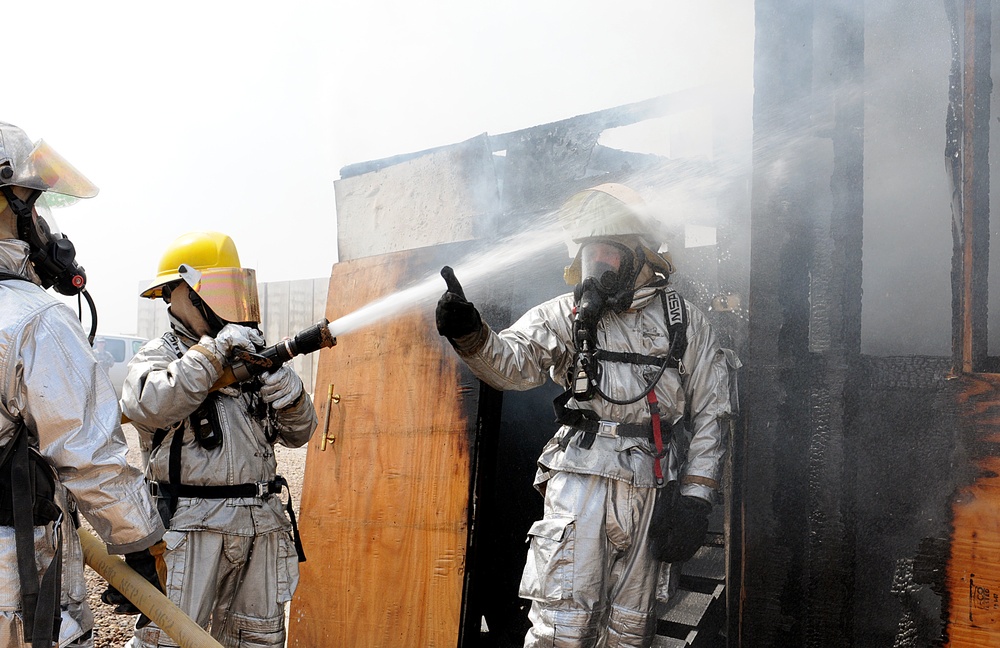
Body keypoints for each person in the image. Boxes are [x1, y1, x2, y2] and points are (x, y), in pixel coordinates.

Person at [436, 183, 732, 647]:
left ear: (639, 254)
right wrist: (471, 335)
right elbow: (513, 361)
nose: (597, 265)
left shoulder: (687, 323)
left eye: (608, 253)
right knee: (560, 629)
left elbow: (713, 413)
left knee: (631, 631)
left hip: (654, 486)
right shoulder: (567, 313)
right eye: (590, 253)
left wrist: (696, 499)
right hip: (579, 482)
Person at [0, 121, 164, 648]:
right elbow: (90, 457)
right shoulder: (34, 320)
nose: (42, 224)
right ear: (8, 204)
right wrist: (140, 543)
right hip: (14, 581)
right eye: (32, 201)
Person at [121, 230, 317, 648]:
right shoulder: (160, 357)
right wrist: (213, 353)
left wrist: (291, 396)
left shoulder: (250, 356)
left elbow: (300, 435)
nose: (228, 305)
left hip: (261, 524)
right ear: (179, 293)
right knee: (170, 639)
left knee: (257, 639)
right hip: (190, 528)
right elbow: (152, 403)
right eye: (216, 290)